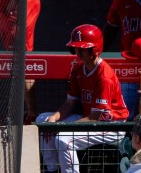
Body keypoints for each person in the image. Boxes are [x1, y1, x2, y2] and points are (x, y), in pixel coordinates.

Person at [37, 24, 130, 173]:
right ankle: (52, 169)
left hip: (111, 125)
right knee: (43, 120)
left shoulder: (104, 77)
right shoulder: (78, 69)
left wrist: (62, 127)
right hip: (90, 119)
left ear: (94, 49)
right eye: (76, 47)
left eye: (82, 48)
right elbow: (69, 103)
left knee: (63, 139)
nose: (77, 52)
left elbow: (96, 117)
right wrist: (54, 119)